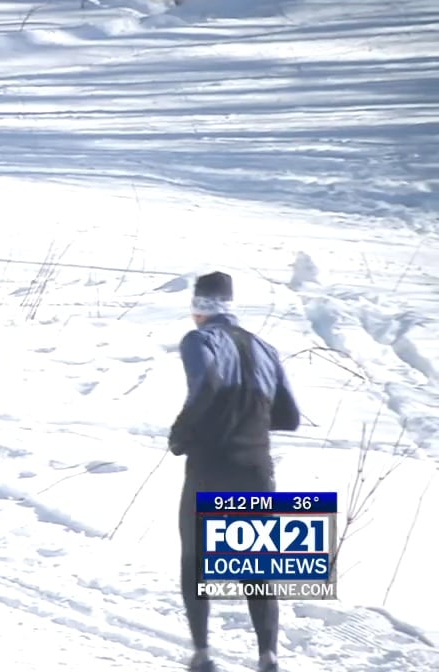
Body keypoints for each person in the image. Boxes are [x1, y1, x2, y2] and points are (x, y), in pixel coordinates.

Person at [168, 271, 301, 672]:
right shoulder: (265, 347)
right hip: (257, 469)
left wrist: (181, 433)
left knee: (195, 557)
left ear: (199, 308)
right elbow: (289, 416)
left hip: (211, 464)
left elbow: (205, 385)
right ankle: (268, 657)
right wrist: (250, 420)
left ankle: (203, 655)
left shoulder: (199, 340)